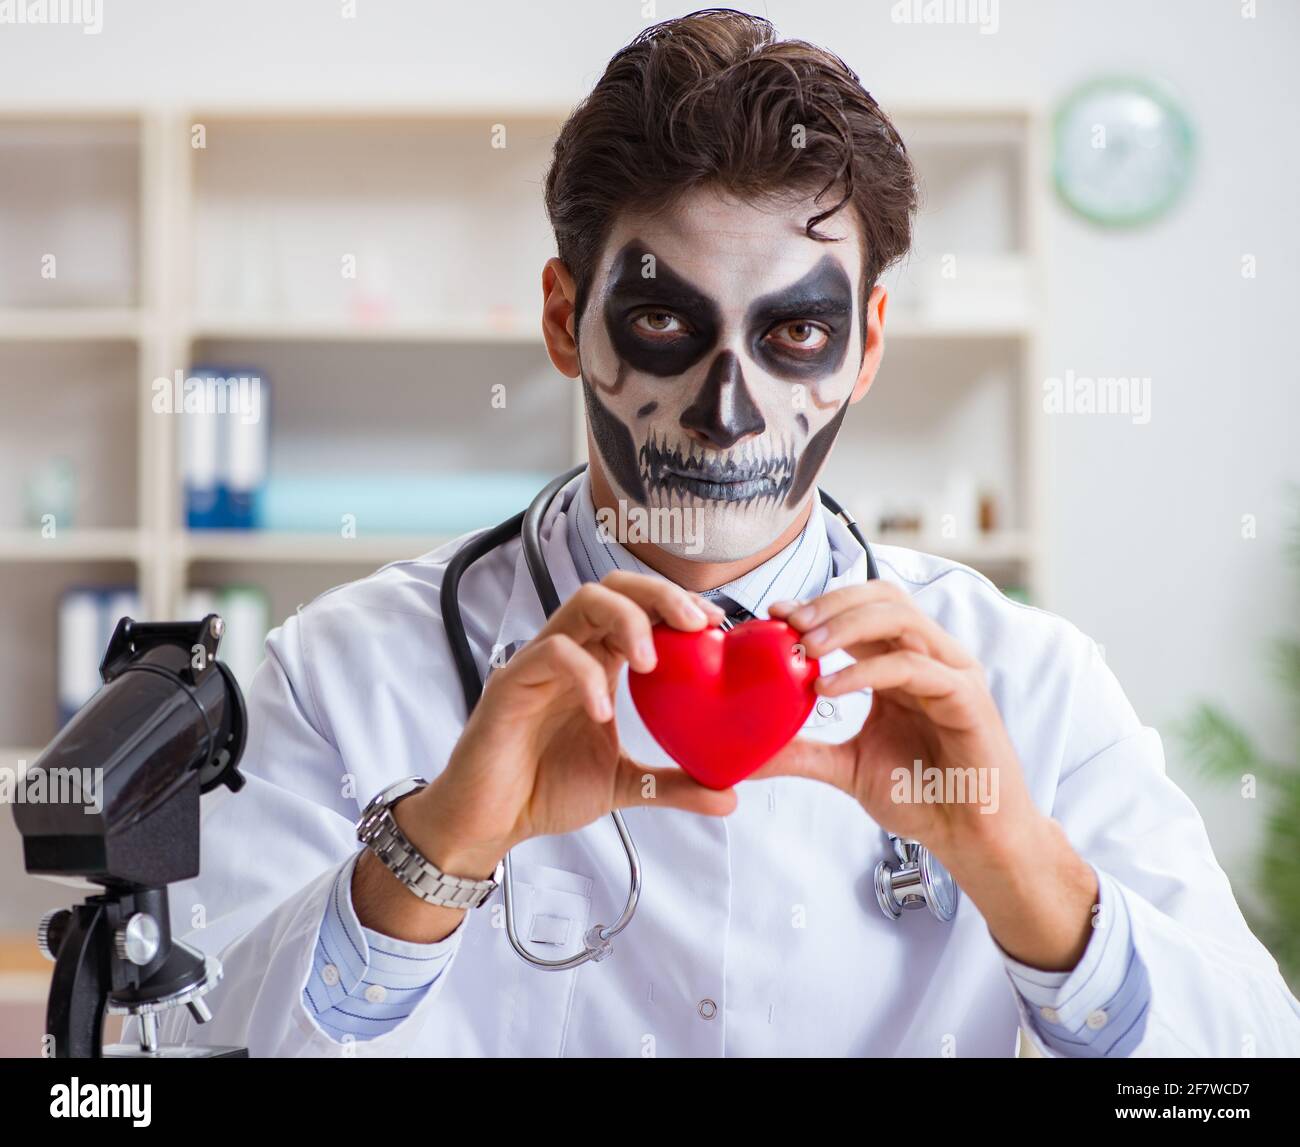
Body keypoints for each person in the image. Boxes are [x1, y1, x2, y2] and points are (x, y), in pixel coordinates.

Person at [151, 9, 1300, 1057]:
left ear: (868, 341)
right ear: (565, 318)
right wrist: (430, 852)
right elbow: (176, 1053)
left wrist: (1020, 867)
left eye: (796, 331)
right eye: (662, 320)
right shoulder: (339, 672)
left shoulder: (1029, 684)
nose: (728, 410)